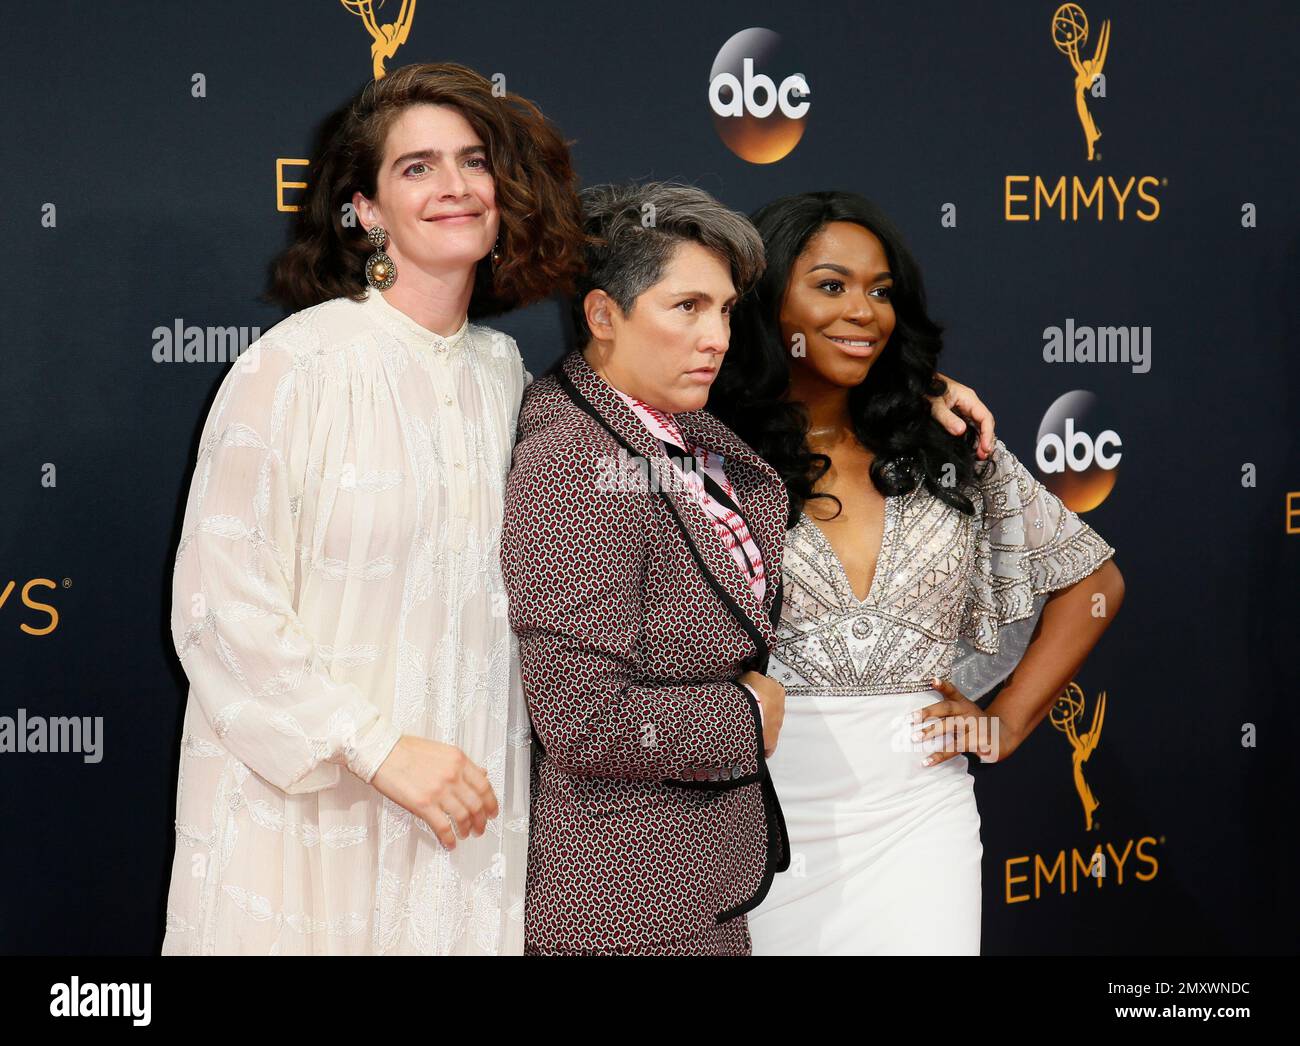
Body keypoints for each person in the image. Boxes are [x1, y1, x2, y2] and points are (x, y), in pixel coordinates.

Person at [500, 181, 1000, 956]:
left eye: (727, 310)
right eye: (687, 308)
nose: (717, 337)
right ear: (603, 315)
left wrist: (915, 387)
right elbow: (582, 717)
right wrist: (743, 714)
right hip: (627, 899)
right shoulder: (576, 457)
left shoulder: (678, 425)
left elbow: (786, 407)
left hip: (714, 878)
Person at [161, 62, 586, 955]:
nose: (456, 186)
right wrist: (379, 749)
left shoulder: (505, 375)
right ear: (365, 211)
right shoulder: (296, 365)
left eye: (473, 162)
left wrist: (911, 401)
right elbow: (218, 606)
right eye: (417, 167)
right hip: (310, 813)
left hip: (465, 815)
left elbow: (666, 407)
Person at [708, 190, 1125, 955]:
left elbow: (1092, 584)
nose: (864, 310)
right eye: (831, 286)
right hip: (755, 811)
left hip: (917, 816)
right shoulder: (707, 452)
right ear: (768, 301)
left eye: (881, 291)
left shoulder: (947, 450)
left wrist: (1002, 724)